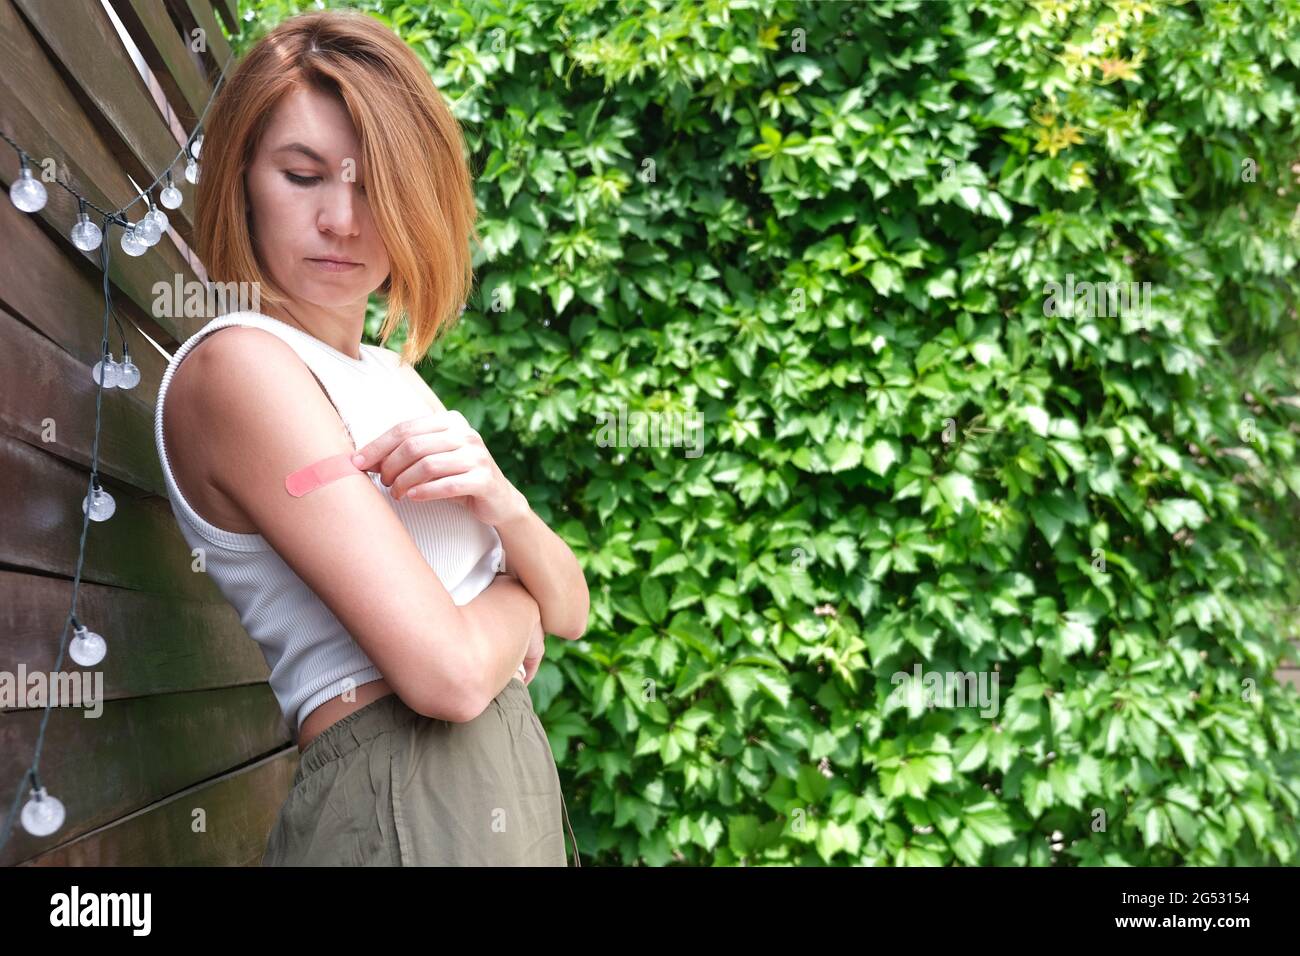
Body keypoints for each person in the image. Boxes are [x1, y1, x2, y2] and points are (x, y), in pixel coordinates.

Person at [152, 9, 587, 866]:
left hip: (498, 780)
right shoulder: (242, 366)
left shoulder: (390, 376)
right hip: (402, 787)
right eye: (303, 175)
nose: (343, 220)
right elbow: (450, 675)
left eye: (372, 183)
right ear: (242, 180)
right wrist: (513, 601)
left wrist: (503, 504)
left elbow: (570, 608)